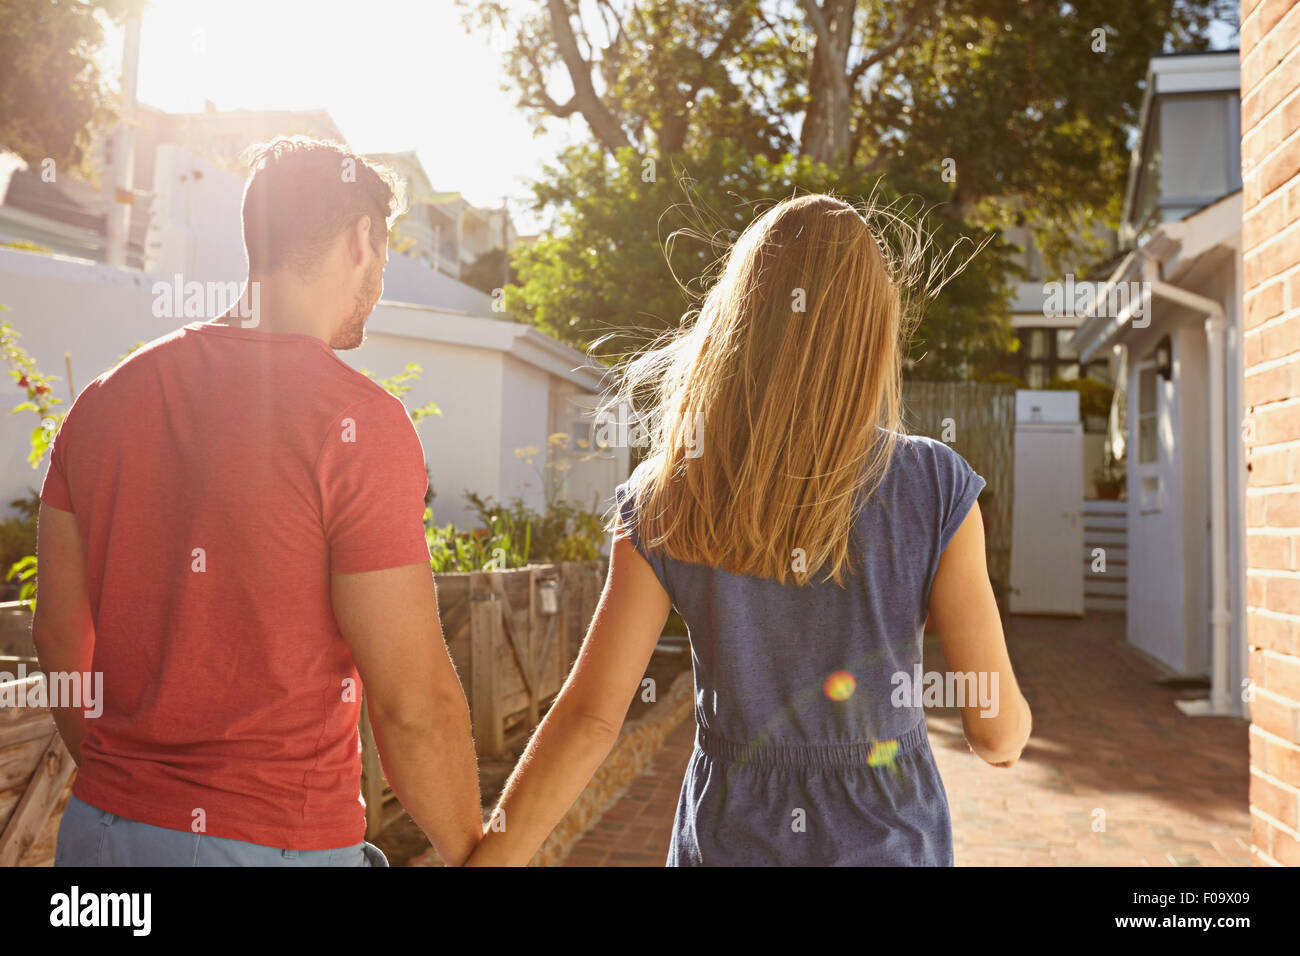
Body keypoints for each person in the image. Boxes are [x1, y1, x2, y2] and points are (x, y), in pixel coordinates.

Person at [465, 194, 1032, 866]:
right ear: (874, 331)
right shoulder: (934, 485)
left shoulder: (669, 493)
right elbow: (995, 733)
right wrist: (1014, 726)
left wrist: (488, 860)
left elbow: (590, 719)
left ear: (739, 316)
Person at [35, 136, 482, 866]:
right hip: (267, 842)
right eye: (386, 257)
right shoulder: (359, 423)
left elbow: (58, 636)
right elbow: (414, 705)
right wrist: (474, 852)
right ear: (361, 239)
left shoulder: (102, 402)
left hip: (100, 837)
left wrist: (133, 791)